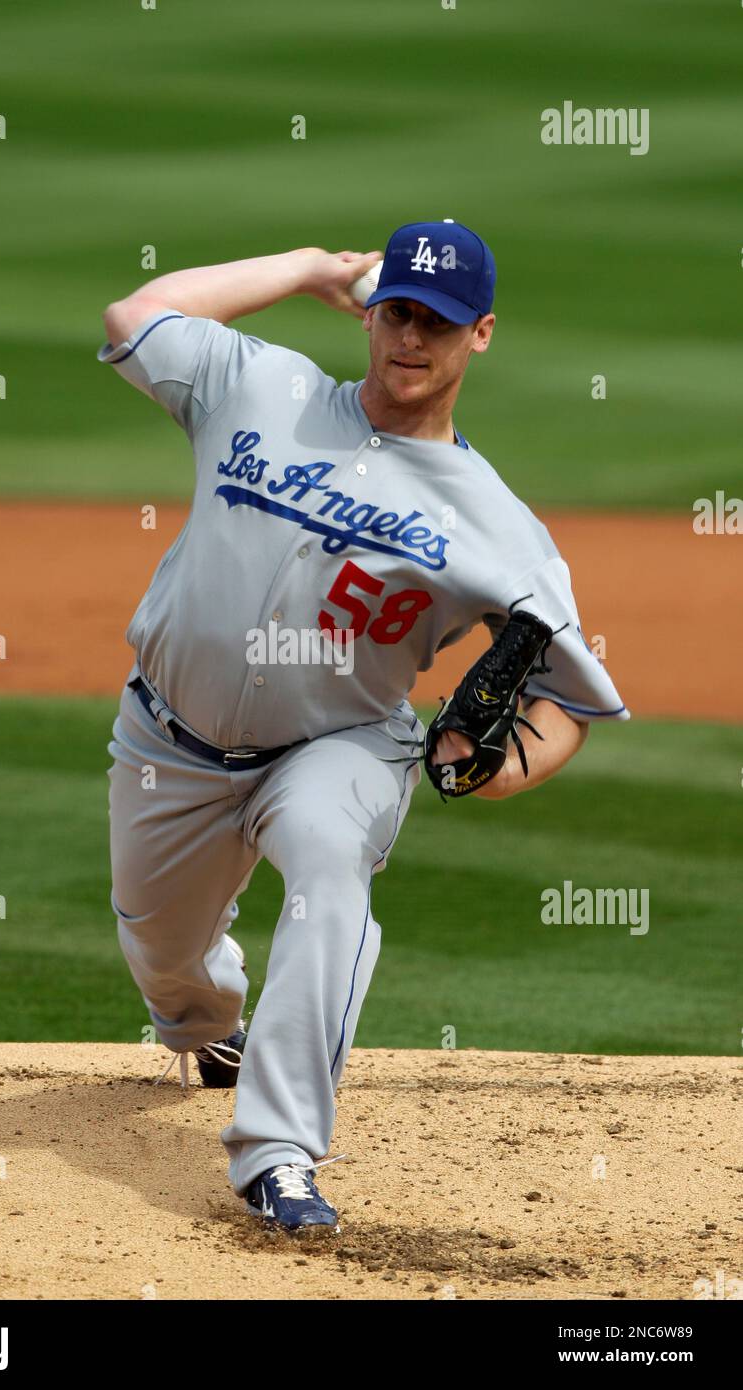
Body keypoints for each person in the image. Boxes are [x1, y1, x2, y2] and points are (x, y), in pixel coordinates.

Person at [97, 221, 627, 1234]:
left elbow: (573, 703)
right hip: (168, 743)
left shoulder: (496, 525)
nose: (411, 338)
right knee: (166, 960)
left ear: (481, 336)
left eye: (440, 322)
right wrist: (304, 271)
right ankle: (209, 1028)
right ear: (373, 313)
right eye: (399, 312)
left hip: (337, 743)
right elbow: (136, 317)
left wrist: (507, 770)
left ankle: (278, 1155)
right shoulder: (265, 386)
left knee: (328, 862)